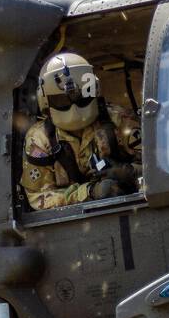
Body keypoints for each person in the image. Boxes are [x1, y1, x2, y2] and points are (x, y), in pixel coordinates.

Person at [21, 52, 141, 210]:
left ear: (95, 89)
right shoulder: (39, 140)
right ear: (45, 100)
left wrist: (129, 174)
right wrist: (89, 192)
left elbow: (157, 166)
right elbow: (38, 198)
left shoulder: (118, 119)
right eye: (62, 100)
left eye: (83, 96)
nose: (74, 107)